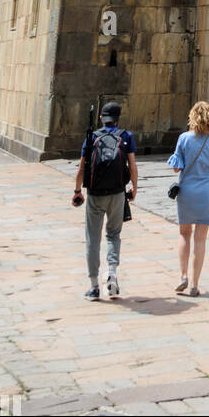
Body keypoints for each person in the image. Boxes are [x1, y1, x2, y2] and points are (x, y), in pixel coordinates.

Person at [72, 101, 137, 301]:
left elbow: (82, 168)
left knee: (93, 238)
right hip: (117, 193)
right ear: (118, 119)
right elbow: (132, 166)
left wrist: (77, 191)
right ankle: (112, 273)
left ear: (101, 118)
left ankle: (93, 286)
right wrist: (133, 187)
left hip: (95, 194)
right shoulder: (125, 137)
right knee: (113, 234)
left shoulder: (92, 137)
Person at [167, 101, 209, 296]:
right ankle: (195, 285)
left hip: (187, 192)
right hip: (208, 192)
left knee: (184, 234)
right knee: (200, 239)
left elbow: (176, 167)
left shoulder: (184, 138)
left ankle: (183, 276)